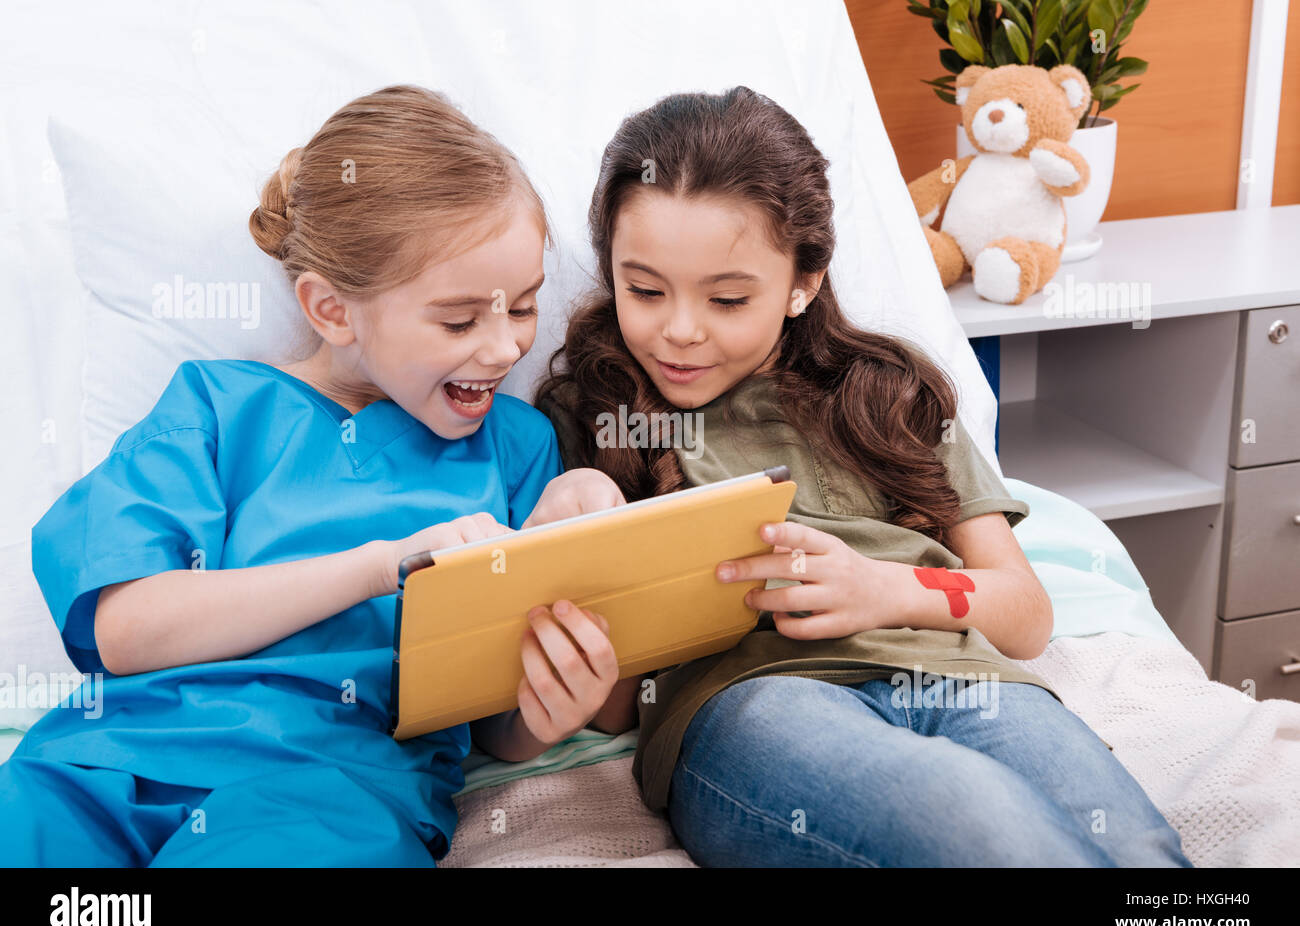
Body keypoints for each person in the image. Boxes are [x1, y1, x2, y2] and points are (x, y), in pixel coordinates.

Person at [534, 86, 1193, 867]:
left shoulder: (890, 391)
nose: (678, 329)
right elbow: (610, 709)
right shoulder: (596, 409)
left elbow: (1025, 615)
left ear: (803, 282)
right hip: (755, 699)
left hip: (963, 678)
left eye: (728, 298)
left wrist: (885, 589)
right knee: (976, 821)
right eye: (643, 290)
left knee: (1144, 849)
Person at [2, 85, 624, 867]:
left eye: (524, 307)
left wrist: (547, 709)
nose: (504, 349)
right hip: (106, 764)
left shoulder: (516, 449)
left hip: (328, 791)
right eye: (460, 320)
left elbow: (493, 721)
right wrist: (379, 566)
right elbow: (125, 632)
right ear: (332, 311)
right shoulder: (218, 408)